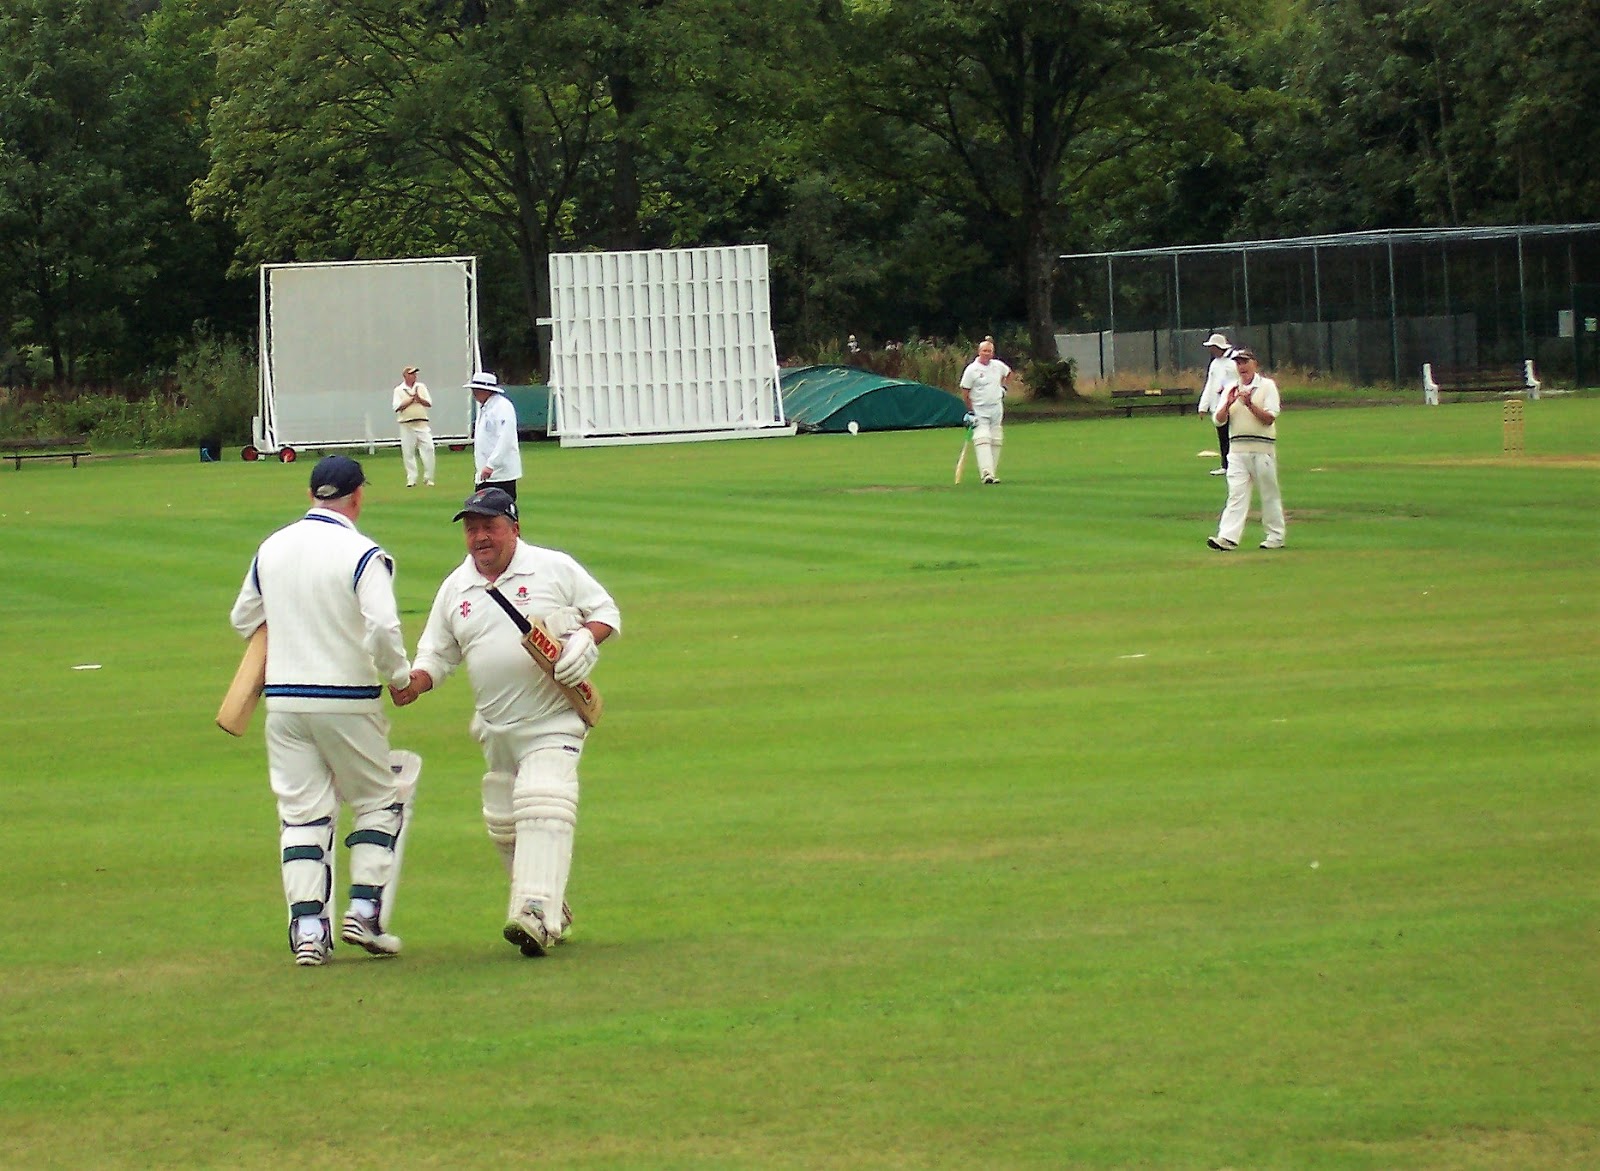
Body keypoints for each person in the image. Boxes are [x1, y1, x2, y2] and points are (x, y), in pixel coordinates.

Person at [392, 487, 621, 957]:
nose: (479, 537)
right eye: (471, 528)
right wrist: (413, 684)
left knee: (544, 800)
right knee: (504, 823)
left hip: (552, 720)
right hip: (496, 729)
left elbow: (606, 614)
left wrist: (584, 643)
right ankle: (552, 907)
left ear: (513, 528)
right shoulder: (456, 588)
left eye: (489, 527)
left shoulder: (552, 568)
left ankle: (534, 911)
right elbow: (436, 654)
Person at [229, 455, 417, 966]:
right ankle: (363, 912)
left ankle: (309, 931)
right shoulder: (363, 552)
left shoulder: (271, 548)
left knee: (301, 815)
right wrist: (399, 678)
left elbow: (244, 616)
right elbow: (382, 627)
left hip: (285, 702)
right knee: (379, 801)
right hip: (348, 699)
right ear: (357, 497)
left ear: (312, 495)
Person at [1207, 348, 1286, 551]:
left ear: (1254, 364)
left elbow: (1269, 418)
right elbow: (1219, 420)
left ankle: (1275, 536)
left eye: (1245, 362)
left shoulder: (1267, 386)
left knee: (1269, 494)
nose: (1241, 366)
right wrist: (1229, 403)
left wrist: (1249, 404)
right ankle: (1227, 537)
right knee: (1236, 494)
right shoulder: (1231, 388)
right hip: (1237, 451)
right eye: (1238, 363)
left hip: (1262, 448)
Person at [959, 336, 1012, 484]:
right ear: (979, 352)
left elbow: (1008, 374)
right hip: (979, 409)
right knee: (982, 438)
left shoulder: (997, 365)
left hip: (996, 408)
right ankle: (986, 472)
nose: (987, 353)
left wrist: (1004, 389)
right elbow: (965, 391)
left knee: (996, 439)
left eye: (989, 351)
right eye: (984, 351)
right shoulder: (972, 370)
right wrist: (970, 411)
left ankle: (992, 474)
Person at [468, 370, 521, 501]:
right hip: (485, 474)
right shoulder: (485, 407)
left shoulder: (502, 407)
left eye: (477, 389)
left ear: (486, 390)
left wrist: (491, 464)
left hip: (500, 473)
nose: (474, 393)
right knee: (481, 512)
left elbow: (506, 438)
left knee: (501, 513)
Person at [1197, 332, 1239, 477]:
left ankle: (1236, 465)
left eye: (1212, 347)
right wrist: (1203, 406)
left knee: (1235, 436)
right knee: (1223, 437)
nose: (1211, 350)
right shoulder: (1214, 364)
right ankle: (1226, 465)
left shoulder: (1234, 361)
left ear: (1218, 347)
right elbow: (1210, 385)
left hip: (1233, 406)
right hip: (1217, 406)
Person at [392, 365, 435, 487]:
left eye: (415, 374)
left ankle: (429, 478)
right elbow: (397, 407)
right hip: (407, 424)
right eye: (411, 374)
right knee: (408, 452)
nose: (414, 376)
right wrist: (411, 399)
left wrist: (418, 398)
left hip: (422, 422)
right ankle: (412, 479)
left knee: (429, 448)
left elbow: (428, 403)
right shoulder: (399, 390)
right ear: (405, 376)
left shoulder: (421, 387)